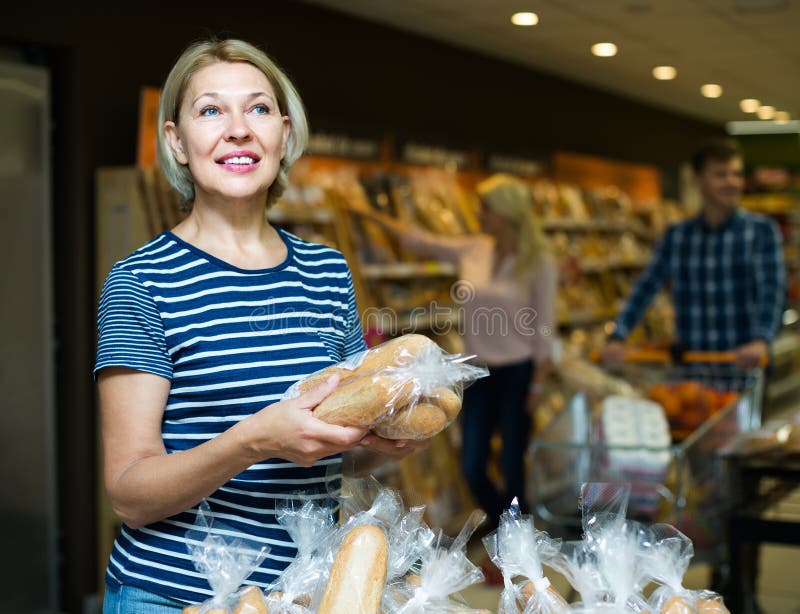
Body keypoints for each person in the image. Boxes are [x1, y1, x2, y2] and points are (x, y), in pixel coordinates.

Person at [95, 38, 426, 613]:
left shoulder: (326, 271)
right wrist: (252, 440)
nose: (238, 129)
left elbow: (328, 450)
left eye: (258, 108)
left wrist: (386, 437)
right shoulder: (141, 282)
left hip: (304, 595)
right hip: (174, 598)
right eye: (210, 110)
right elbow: (129, 493)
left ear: (285, 134)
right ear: (177, 141)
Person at [348, 174, 558, 527]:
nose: (479, 213)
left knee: (511, 462)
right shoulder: (475, 248)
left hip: (518, 374)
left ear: (507, 213)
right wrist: (366, 213)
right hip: (476, 372)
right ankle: (507, 526)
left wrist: (538, 382)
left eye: (486, 208)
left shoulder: (539, 261)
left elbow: (546, 325)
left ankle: (517, 541)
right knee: (472, 464)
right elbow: (417, 240)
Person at [602, 140, 786, 369]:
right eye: (720, 174)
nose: (732, 182)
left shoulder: (761, 231)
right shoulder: (677, 236)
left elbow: (772, 292)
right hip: (692, 370)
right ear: (696, 180)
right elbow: (646, 287)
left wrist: (761, 340)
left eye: (737, 174)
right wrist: (617, 335)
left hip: (744, 367)